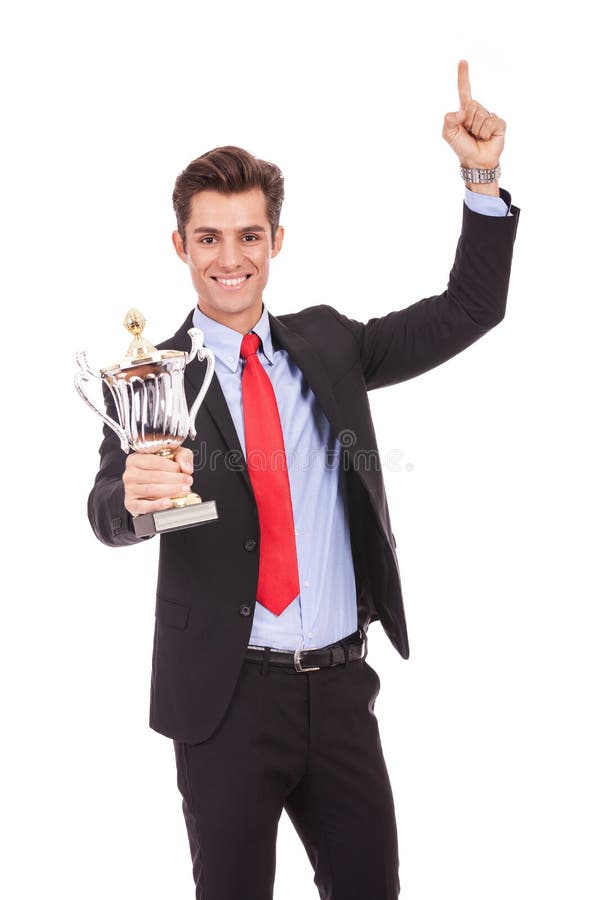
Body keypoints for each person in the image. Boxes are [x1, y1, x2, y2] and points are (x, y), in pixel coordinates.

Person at [87, 60, 520, 899]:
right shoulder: (147, 379)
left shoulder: (329, 346)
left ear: (276, 241)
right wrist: (135, 505)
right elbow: (106, 510)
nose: (230, 259)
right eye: (208, 238)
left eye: (250, 236)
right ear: (181, 246)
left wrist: (481, 177)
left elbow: (471, 309)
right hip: (224, 699)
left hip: (340, 692)